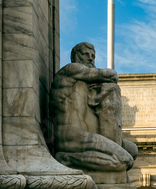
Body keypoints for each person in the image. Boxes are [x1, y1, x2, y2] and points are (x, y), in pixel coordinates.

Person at [51, 42, 137, 171]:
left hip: (86, 135)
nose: (90, 58)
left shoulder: (85, 83)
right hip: (71, 134)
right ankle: (66, 158)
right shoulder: (71, 70)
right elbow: (111, 74)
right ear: (75, 56)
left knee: (133, 150)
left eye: (93, 55)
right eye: (86, 54)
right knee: (125, 160)